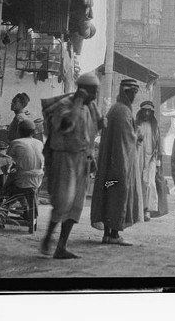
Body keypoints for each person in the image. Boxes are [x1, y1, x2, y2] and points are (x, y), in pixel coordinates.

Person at [38, 72, 101, 259]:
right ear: (83, 90)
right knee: (63, 201)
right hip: (64, 158)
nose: (96, 96)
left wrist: (91, 157)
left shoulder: (89, 108)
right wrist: (78, 101)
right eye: (93, 91)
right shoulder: (65, 106)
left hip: (82, 159)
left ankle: (61, 247)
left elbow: (87, 136)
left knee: (76, 205)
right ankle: (48, 238)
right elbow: (67, 125)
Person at [91, 78, 143, 245]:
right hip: (119, 168)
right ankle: (113, 235)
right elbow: (126, 140)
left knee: (109, 195)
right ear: (126, 93)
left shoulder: (115, 109)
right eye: (132, 93)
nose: (134, 96)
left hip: (110, 168)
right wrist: (137, 135)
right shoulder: (123, 112)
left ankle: (108, 233)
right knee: (117, 196)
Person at [135, 101, 164, 220]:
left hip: (151, 157)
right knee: (139, 182)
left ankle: (148, 209)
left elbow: (158, 144)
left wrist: (158, 162)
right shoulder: (136, 125)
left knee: (150, 183)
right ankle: (138, 209)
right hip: (138, 157)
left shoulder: (155, 127)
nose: (147, 113)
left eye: (149, 111)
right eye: (145, 111)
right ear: (141, 112)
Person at [1, 118, 44, 199]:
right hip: (38, 180)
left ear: (19, 131)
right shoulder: (40, 143)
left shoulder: (16, 143)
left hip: (22, 181)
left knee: (7, 182)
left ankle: (3, 202)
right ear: (33, 132)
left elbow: (7, 162)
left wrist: (7, 172)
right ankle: (22, 205)